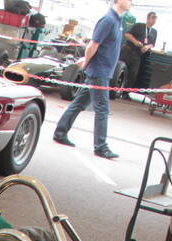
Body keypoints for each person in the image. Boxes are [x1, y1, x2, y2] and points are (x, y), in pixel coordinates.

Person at [52, 0, 133, 160]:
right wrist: (86, 63)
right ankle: (101, 147)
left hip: (103, 70)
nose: (131, 2)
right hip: (99, 71)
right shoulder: (108, 19)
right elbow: (93, 45)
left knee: (80, 103)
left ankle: (60, 132)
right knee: (102, 109)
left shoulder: (118, 21)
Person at [119, 10, 157, 93]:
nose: (154, 20)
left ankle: (125, 92)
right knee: (120, 69)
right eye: (152, 18)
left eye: (155, 19)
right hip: (128, 51)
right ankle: (113, 88)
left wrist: (147, 46)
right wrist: (135, 41)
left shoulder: (154, 32)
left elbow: (152, 44)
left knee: (133, 74)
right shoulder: (138, 25)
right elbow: (127, 34)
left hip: (138, 55)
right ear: (148, 18)